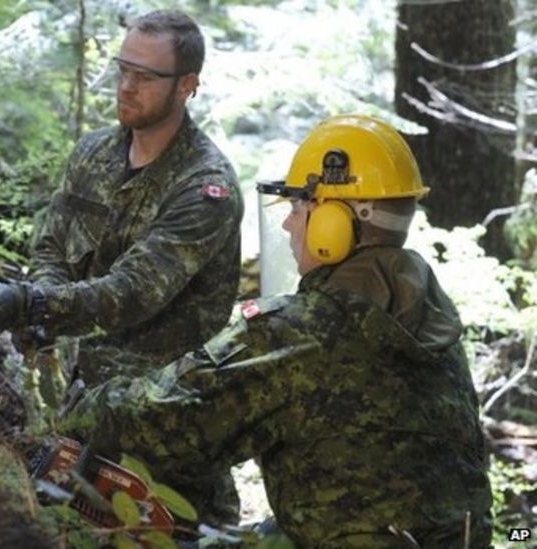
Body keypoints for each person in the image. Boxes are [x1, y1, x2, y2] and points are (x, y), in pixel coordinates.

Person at [60, 114, 493, 547]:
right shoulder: (432, 324)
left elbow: (162, 420)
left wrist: (76, 414)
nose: (288, 225)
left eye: (299, 208)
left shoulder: (297, 332)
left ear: (332, 224)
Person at [0, 9, 244, 525]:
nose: (127, 86)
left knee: (183, 533)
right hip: (85, 413)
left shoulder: (206, 188)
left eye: (145, 76)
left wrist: (31, 304)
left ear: (186, 85)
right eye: (122, 70)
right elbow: (53, 247)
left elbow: (130, 293)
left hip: (166, 427)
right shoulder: (94, 154)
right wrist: (43, 311)